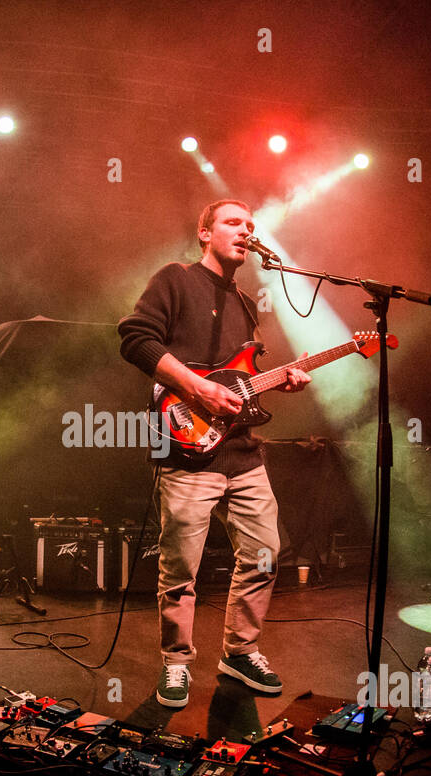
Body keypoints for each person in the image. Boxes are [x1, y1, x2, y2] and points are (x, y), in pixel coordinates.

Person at [117, 200, 310, 708]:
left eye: (251, 225)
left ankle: (239, 652)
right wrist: (196, 389)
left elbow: (237, 385)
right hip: (185, 449)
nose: (245, 231)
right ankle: (177, 663)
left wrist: (276, 383)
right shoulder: (174, 279)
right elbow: (134, 339)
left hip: (243, 453)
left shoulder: (247, 304)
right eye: (233, 222)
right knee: (181, 566)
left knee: (265, 553)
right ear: (205, 232)